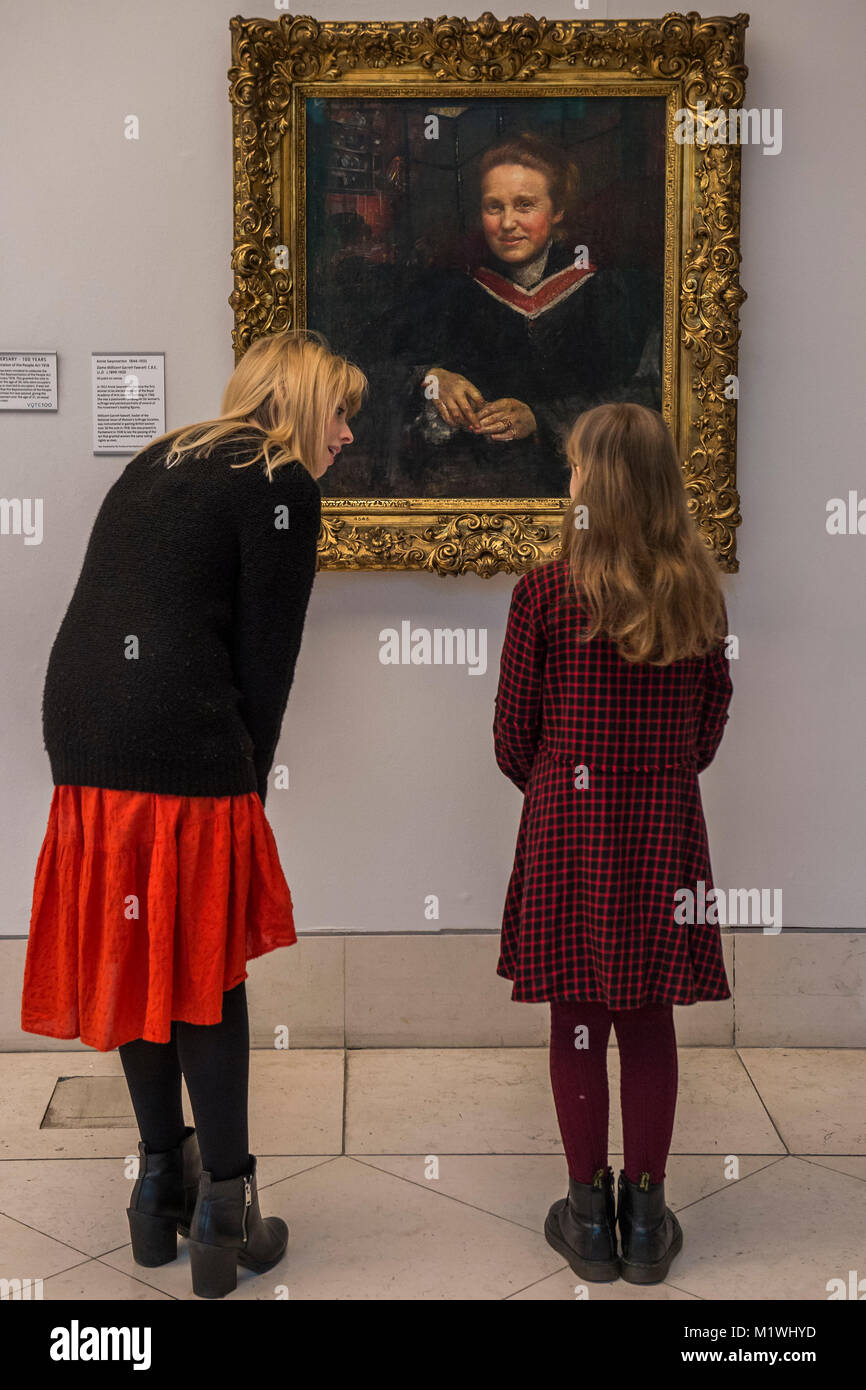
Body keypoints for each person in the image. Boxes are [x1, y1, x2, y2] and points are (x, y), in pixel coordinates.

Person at [22, 329, 365, 1300]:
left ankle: (155, 1192)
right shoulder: (280, 483)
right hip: (179, 734)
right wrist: (244, 792)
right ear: (295, 404)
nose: (343, 433)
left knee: (139, 953)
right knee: (204, 963)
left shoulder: (158, 452)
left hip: (85, 733)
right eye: (337, 411)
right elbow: (268, 658)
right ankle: (228, 1208)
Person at [493, 401, 733, 1285]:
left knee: (579, 1021)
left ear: (594, 484)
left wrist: (566, 783)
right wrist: (656, 776)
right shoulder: (698, 591)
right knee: (650, 1018)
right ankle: (649, 1214)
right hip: (664, 829)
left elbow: (513, 737)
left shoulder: (546, 590)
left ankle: (588, 1219)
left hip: (569, 827)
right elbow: (708, 728)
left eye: (575, 469)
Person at [388, 131, 659, 497]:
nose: (507, 223)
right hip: (466, 491)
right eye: (494, 207)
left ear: (557, 209)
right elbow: (371, 370)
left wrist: (542, 421)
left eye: (525, 205)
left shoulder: (604, 292)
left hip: (575, 492)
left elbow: (644, 397)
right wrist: (430, 377)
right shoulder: (453, 289)